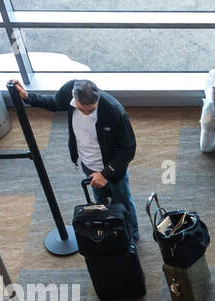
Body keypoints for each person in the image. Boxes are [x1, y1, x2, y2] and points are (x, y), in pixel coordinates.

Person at [14, 78, 139, 241]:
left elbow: (128, 148)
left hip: (111, 168)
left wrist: (105, 174)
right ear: (74, 98)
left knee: (123, 202)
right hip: (88, 165)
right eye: (82, 110)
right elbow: (54, 102)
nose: (86, 113)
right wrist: (28, 97)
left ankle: (131, 235)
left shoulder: (114, 111)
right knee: (99, 203)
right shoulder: (69, 92)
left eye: (91, 110)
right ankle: (110, 234)